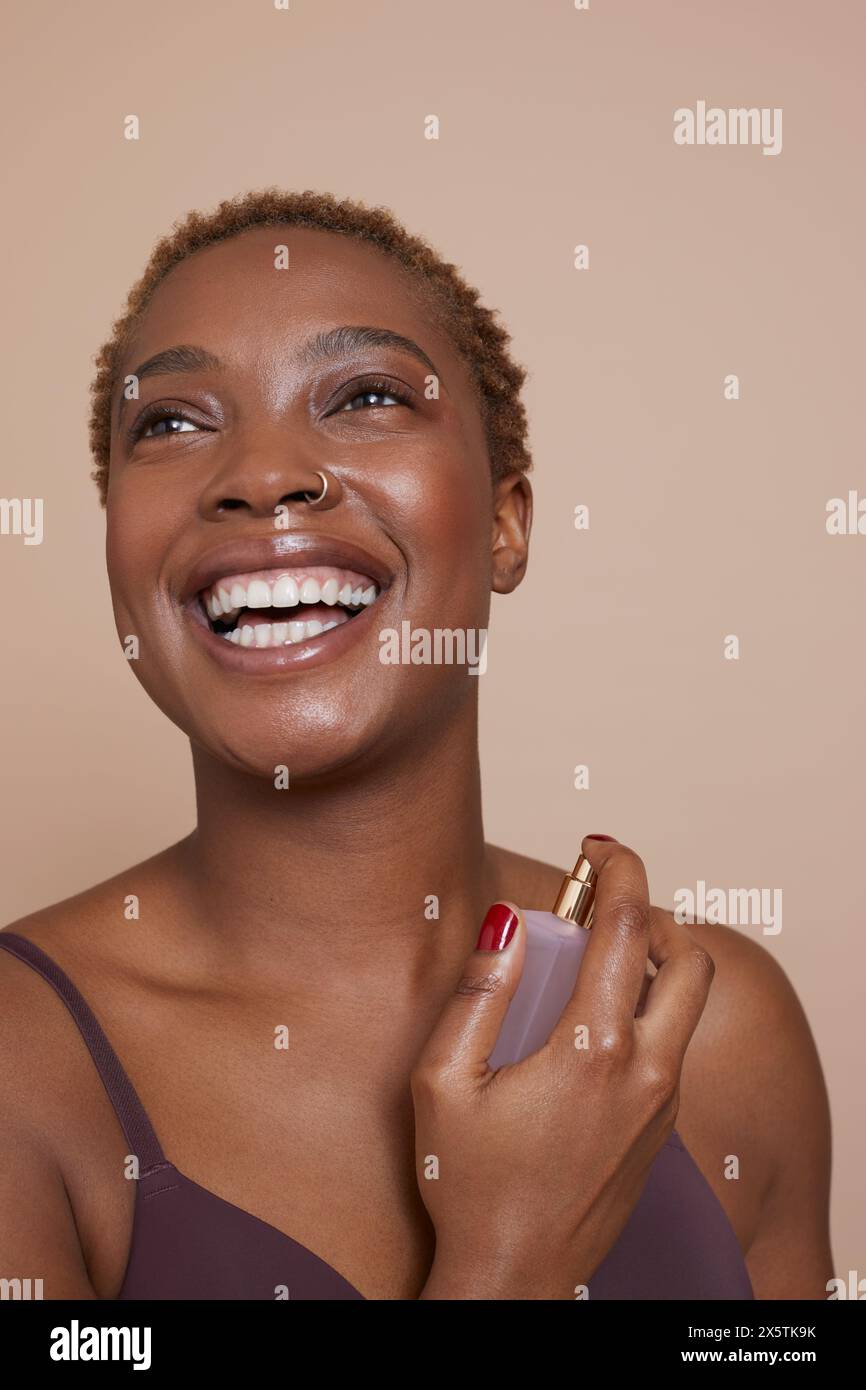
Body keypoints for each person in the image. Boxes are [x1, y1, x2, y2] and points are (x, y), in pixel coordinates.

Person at [0, 190, 832, 1299]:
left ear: (504, 521)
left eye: (367, 397)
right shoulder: (22, 1075)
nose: (262, 475)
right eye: (173, 422)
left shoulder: (710, 1031)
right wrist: (506, 1261)